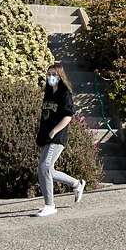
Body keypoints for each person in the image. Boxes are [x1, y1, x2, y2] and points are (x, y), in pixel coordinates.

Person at [33, 62, 85, 217]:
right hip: (47, 137)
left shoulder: (65, 94)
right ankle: (76, 184)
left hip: (57, 138)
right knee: (46, 170)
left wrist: (54, 131)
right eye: (49, 74)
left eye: (54, 75)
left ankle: (50, 205)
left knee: (44, 168)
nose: (51, 77)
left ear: (60, 76)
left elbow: (68, 116)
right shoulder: (48, 93)